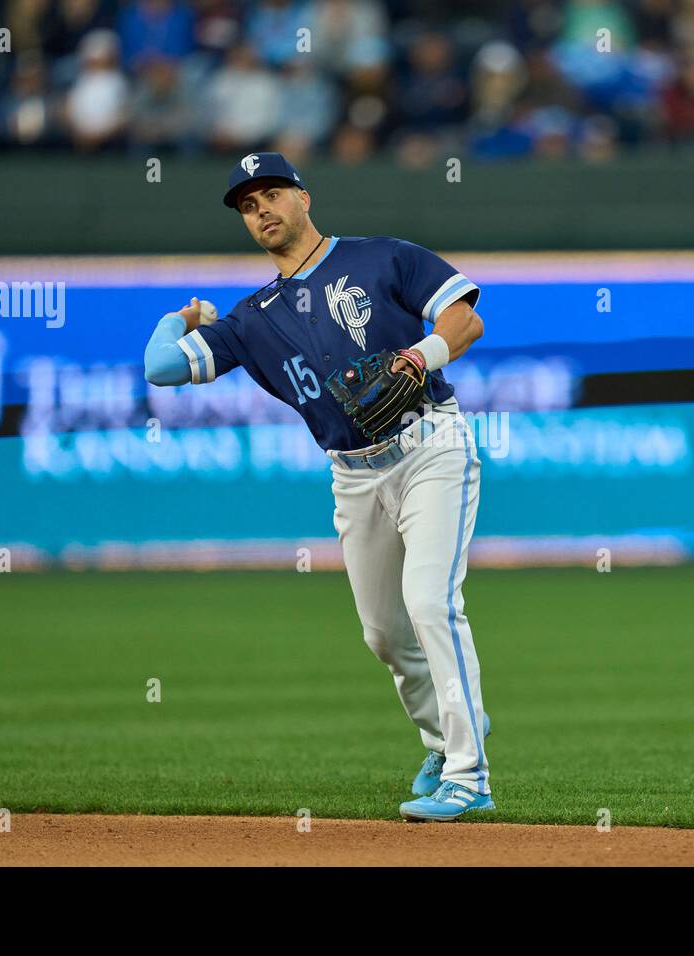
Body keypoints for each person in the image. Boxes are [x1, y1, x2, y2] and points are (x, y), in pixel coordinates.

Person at [143, 152, 494, 821]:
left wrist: (420, 356)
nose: (262, 211)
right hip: (352, 474)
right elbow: (161, 368)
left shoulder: (381, 257)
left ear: (303, 197)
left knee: (430, 602)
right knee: (384, 635)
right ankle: (439, 747)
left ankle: (470, 775)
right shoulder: (251, 318)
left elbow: (465, 319)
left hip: (430, 448)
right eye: (248, 206)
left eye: (271, 194)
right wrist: (181, 323)